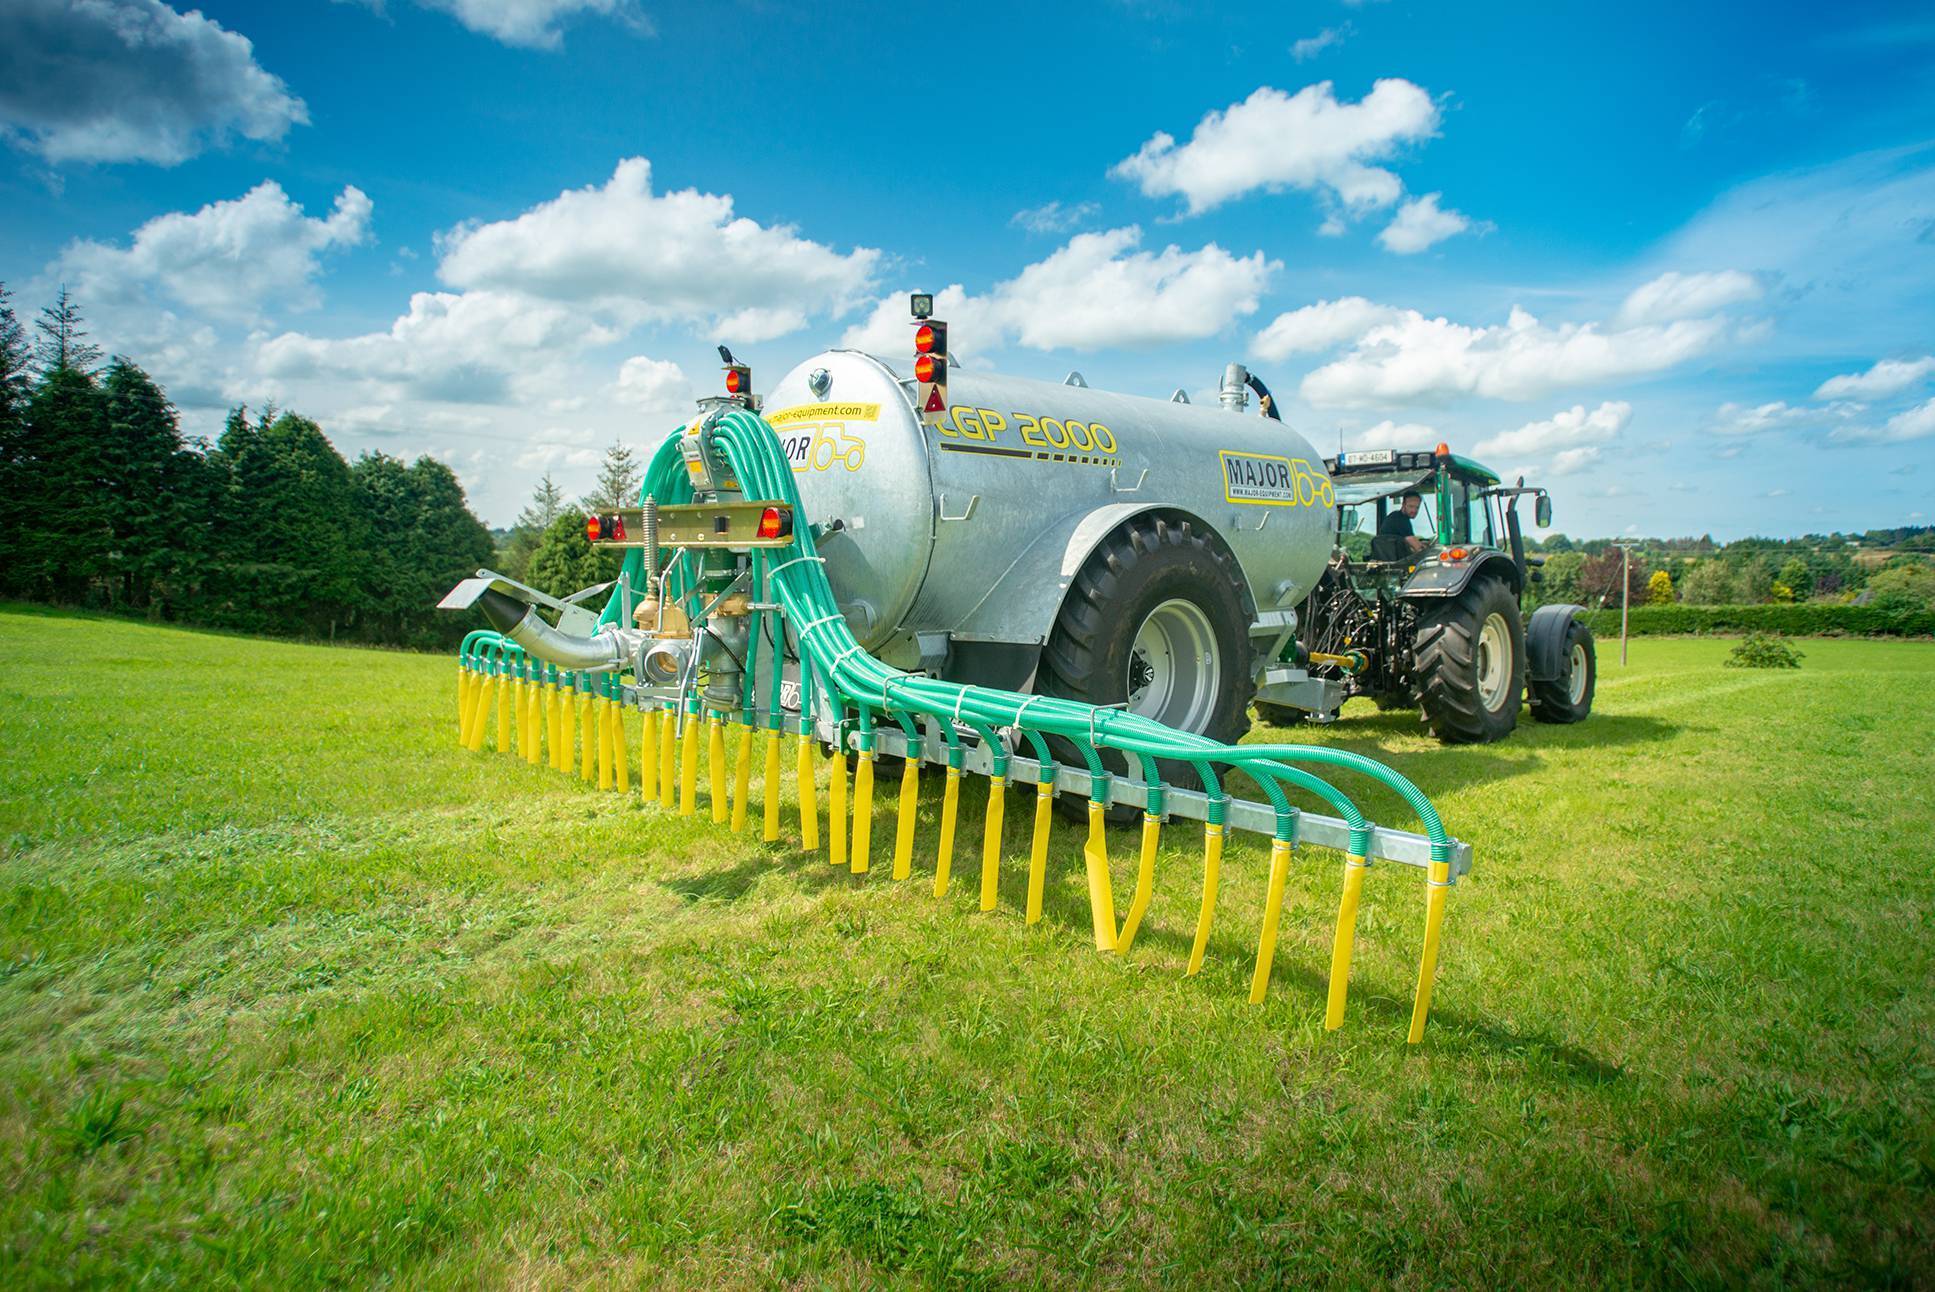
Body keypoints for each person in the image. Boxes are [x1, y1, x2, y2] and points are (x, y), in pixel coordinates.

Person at [1377, 491, 1429, 555]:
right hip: (1397, 560)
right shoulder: (1400, 520)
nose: (1414, 510)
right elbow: (1419, 549)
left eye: (1417, 507)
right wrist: (1426, 547)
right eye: (1411, 506)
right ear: (1403, 504)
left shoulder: (1394, 516)